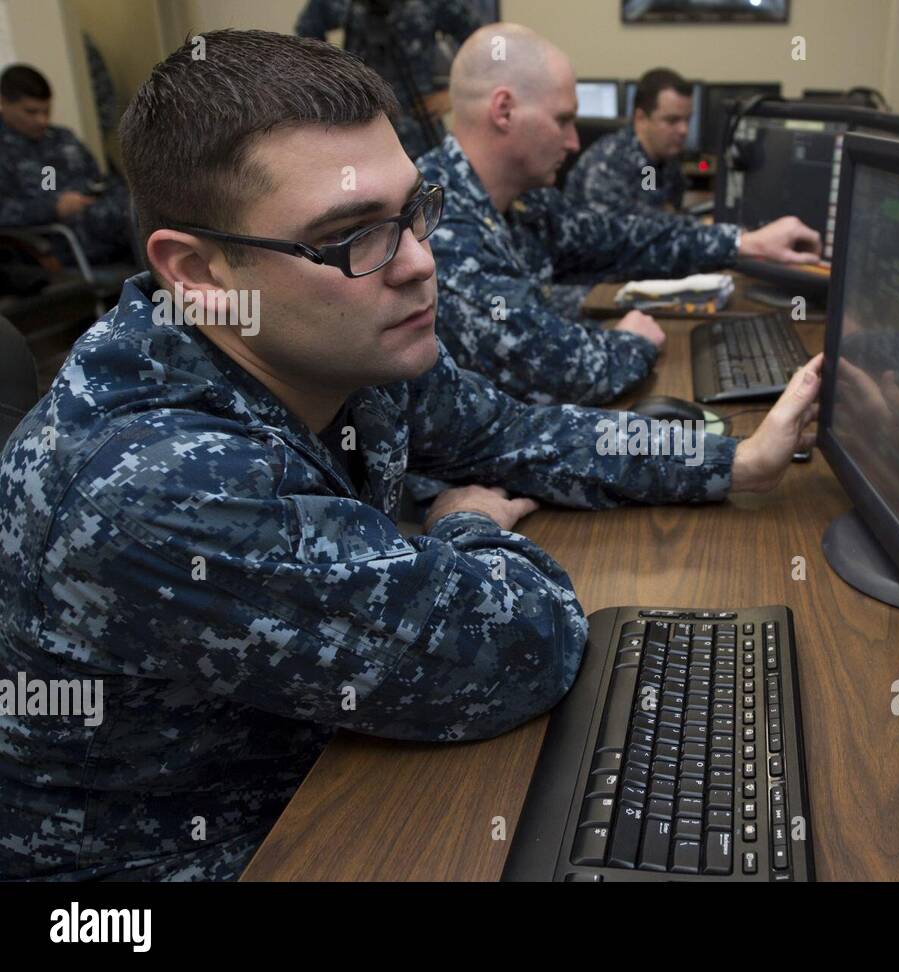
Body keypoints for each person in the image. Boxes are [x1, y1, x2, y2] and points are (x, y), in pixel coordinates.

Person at [0, 29, 822, 882]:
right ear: (201, 271)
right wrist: (464, 528)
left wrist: (732, 461)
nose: (421, 263)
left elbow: (513, 432)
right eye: (351, 235)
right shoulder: (160, 484)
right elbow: (521, 650)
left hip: (317, 777)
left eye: (413, 211)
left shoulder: (338, 344)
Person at [418, 24, 822, 406]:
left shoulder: (525, 203)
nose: (575, 142)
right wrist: (633, 340)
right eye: (563, 120)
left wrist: (742, 242)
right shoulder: (440, 225)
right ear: (504, 111)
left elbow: (617, 237)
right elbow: (557, 369)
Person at [296, 0, 481, 159]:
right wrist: (331, 85)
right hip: (359, 127)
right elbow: (307, 32)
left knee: (428, 194)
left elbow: (480, 39)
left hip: (419, 131)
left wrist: (454, 94)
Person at [0, 64, 133, 264]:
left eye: (46, 111)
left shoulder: (63, 139)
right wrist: (53, 208)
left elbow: (104, 182)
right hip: (59, 252)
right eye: (31, 112)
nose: (41, 120)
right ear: (3, 102)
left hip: (113, 236)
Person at [566, 67, 693, 215]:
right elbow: (618, 231)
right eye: (672, 120)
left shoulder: (660, 160)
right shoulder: (608, 164)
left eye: (687, 120)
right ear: (641, 119)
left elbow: (661, 208)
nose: (684, 130)